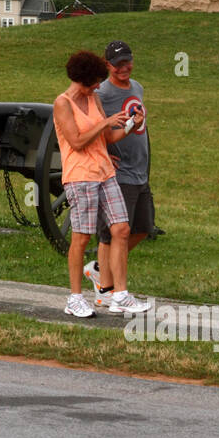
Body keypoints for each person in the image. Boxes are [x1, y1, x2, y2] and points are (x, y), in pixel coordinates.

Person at [53, 50, 153, 318]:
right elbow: (76, 141)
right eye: (96, 80)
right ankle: (75, 298)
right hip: (80, 176)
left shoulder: (94, 98)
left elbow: (108, 138)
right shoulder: (63, 103)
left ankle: (119, 295)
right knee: (82, 237)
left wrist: (131, 124)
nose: (99, 85)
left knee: (121, 229)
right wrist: (105, 122)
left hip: (105, 172)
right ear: (84, 79)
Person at [85, 40, 157, 310]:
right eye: (118, 64)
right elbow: (93, 130)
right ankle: (106, 290)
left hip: (139, 171)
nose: (124, 68)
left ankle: (101, 271)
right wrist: (104, 155)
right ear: (107, 66)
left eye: (127, 61)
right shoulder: (100, 94)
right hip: (119, 174)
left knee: (143, 228)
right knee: (113, 235)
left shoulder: (137, 87)